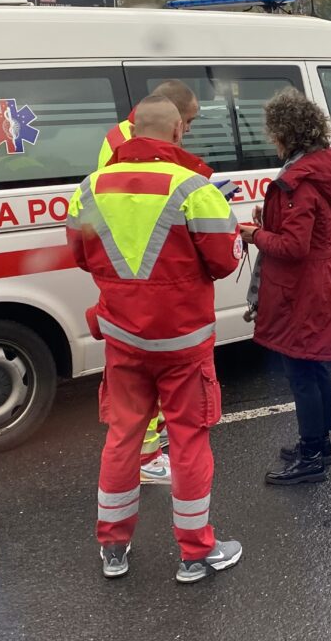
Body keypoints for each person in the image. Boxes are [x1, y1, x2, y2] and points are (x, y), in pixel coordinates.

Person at [68, 95, 244, 582]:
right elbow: (225, 260)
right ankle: (195, 553)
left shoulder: (89, 188)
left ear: (131, 130)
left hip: (123, 339)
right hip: (183, 344)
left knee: (122, 438)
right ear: (177, 132)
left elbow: (81, 256)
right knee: (188, 441)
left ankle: (114, 548)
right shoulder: (194, 188)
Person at [238, 89, 331, 486]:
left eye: (273, 134)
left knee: (301, 369)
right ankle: (319, 444)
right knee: (314, 366)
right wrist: (270, 219)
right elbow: (309, 228)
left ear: (286, 133)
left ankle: (311, 458)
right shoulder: (326, 167)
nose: (271, 141)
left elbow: (293, 246)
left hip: (301, 287)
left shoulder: (297, 181)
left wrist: (255, 234)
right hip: (322, 280)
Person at [99, 80, 202, 486]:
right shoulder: (129, 142)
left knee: (136, 372)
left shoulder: (126, 135)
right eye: (188, 122)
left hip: (127, 272)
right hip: (142, 270)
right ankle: (147, 457)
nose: (189, 132)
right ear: (172, 119)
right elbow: (133, 205)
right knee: (148, 370)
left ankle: (144, 453)